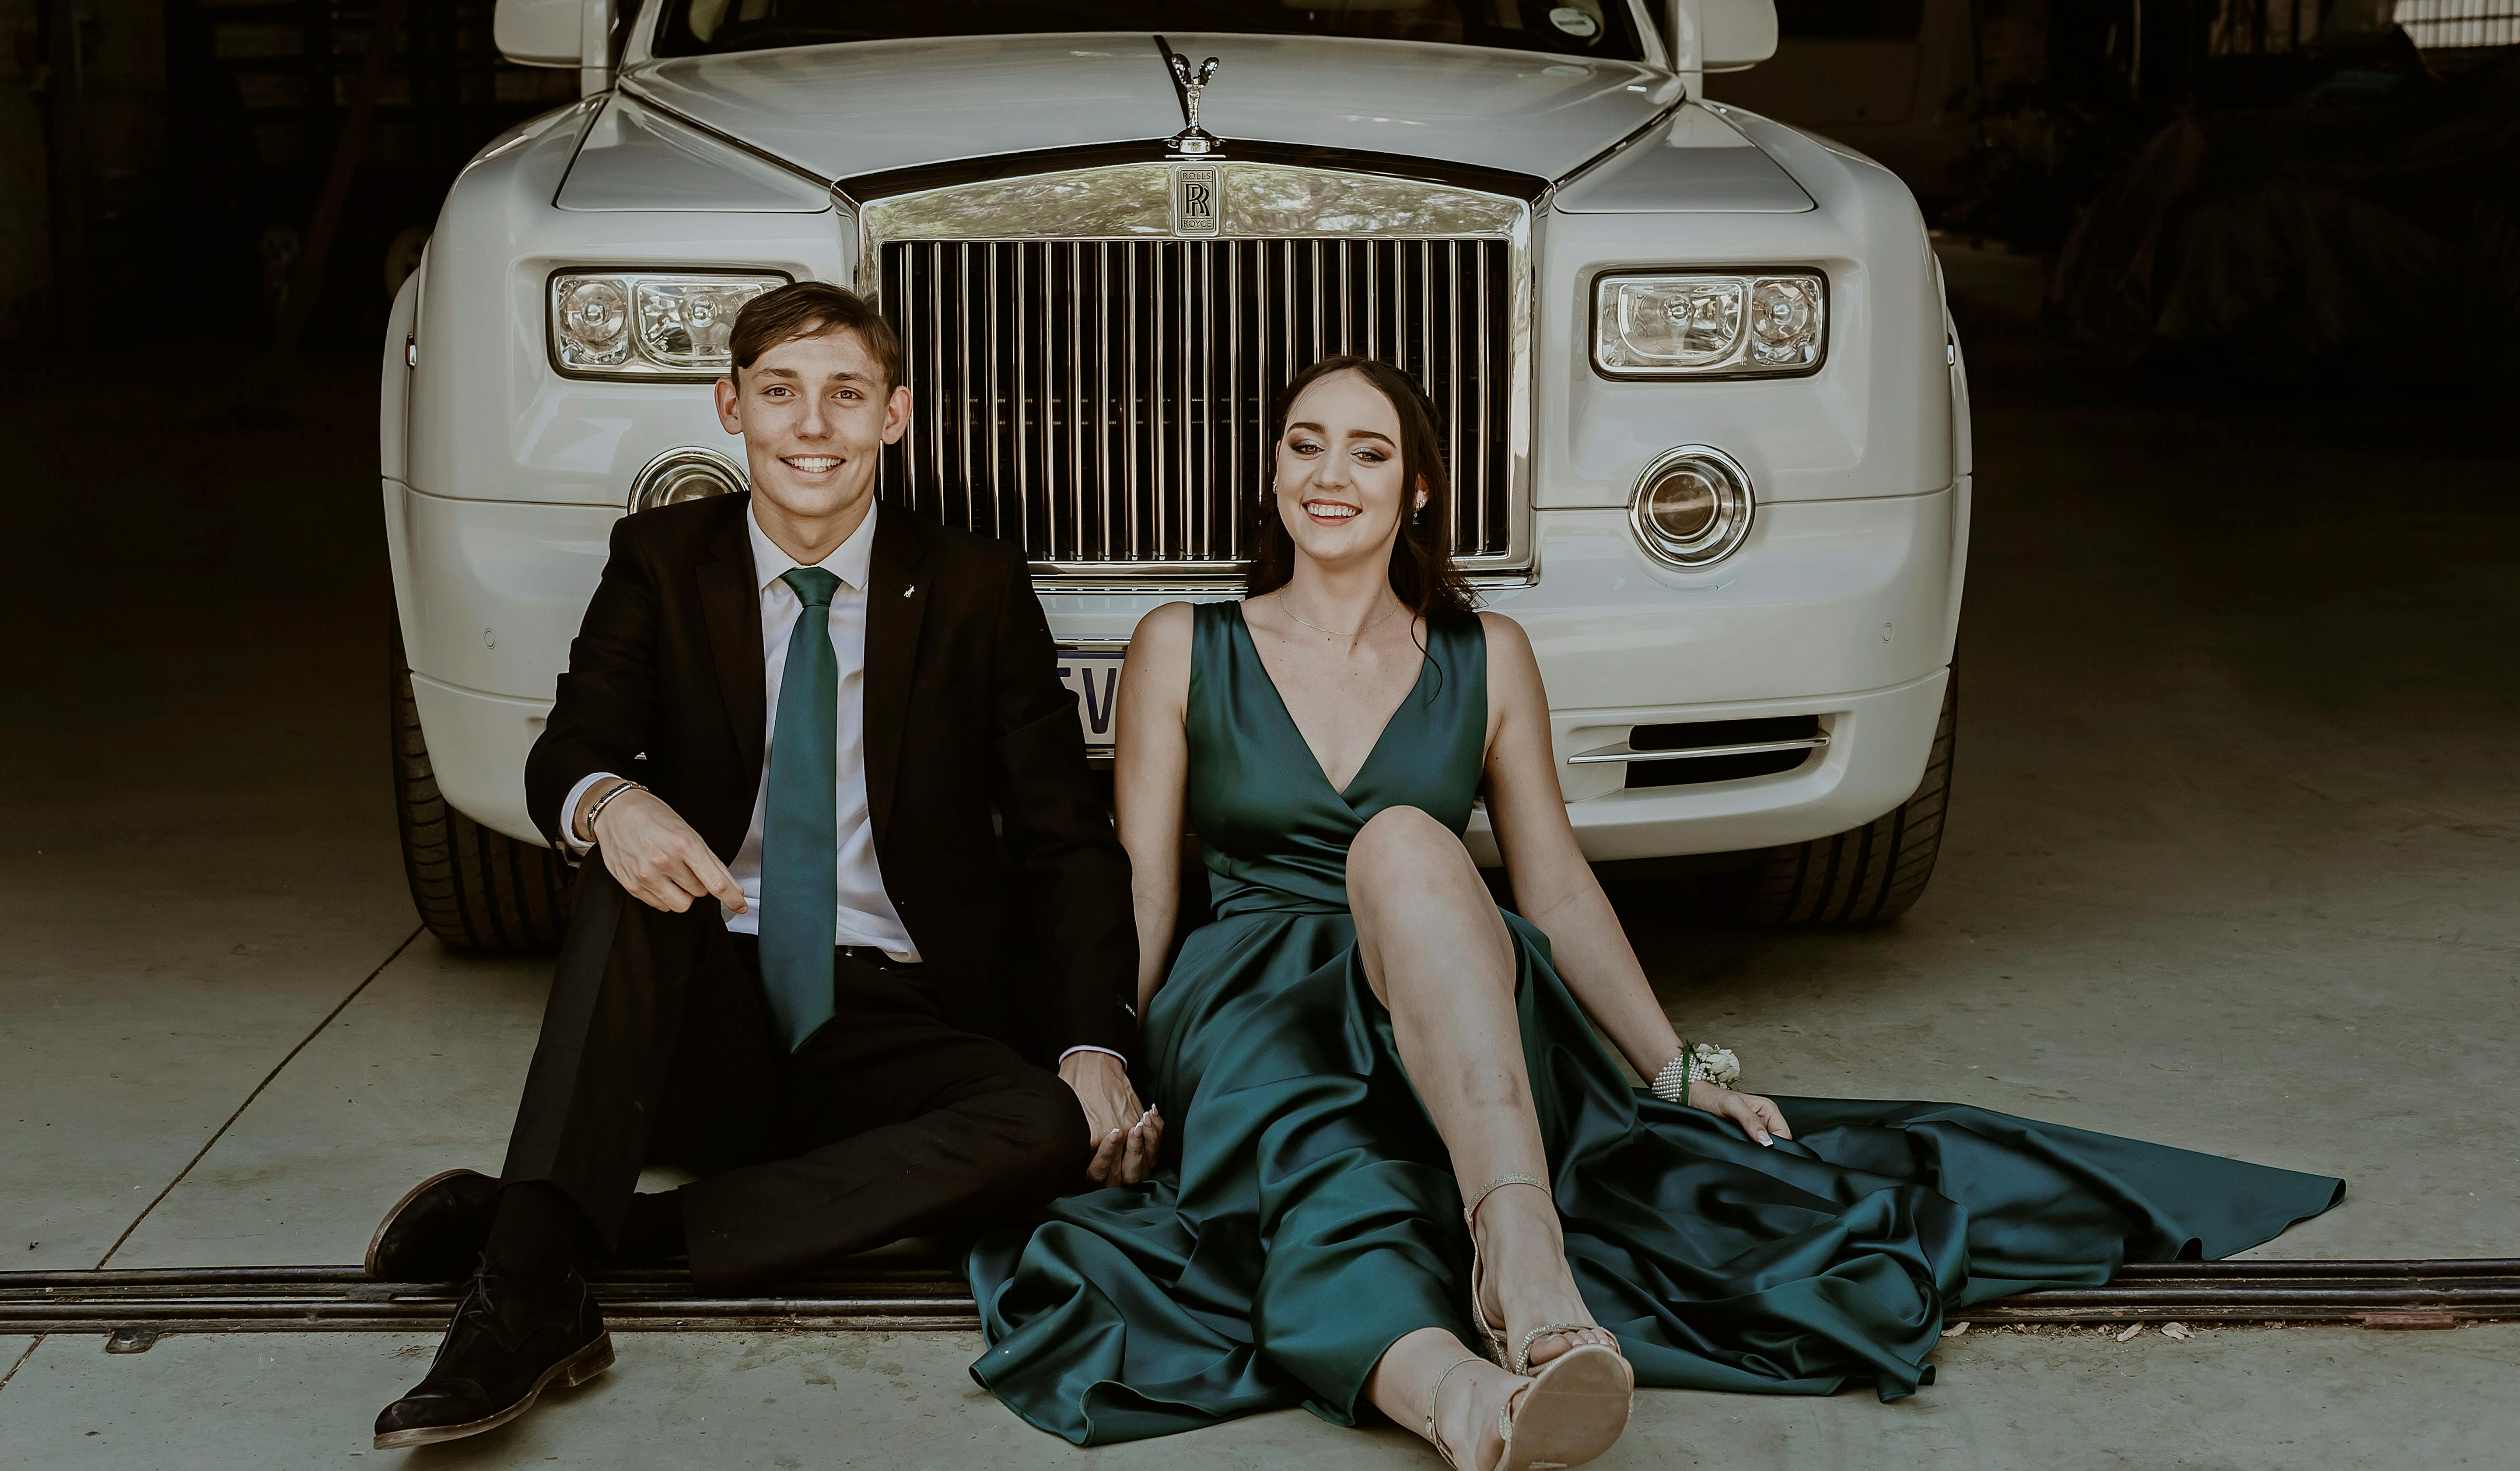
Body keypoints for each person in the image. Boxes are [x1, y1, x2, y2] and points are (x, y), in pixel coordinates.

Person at [968, 356, 2344, 1471]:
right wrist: (1107, 1059)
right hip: (1258, 991)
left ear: (1420, 486)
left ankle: (1524, 1279)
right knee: (1339, 1166)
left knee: (1403, 846)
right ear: (1273, 475)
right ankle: (1472, 1399)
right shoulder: (1182, 644)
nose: (1332, 474)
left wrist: (1673, 1064)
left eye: (1369, 449)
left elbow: (1554, 882)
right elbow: (1140, 878)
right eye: (1307, 445)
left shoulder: (1484, 654)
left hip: (1451, 979)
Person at [365, 283, 1160, 1451]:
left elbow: (1063, 839)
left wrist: (1096, 1043)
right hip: (705, 1007)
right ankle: (527, 1298)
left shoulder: (973, 585)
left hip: (894, 1009)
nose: (813, 427)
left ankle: (610, 1233)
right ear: (730, 407)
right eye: (781, 394)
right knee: (637, 864)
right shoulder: (664, 559)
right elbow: (572, 748)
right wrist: (614, 803)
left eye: (846, 397)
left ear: (894, 417)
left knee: (1044, 1123)